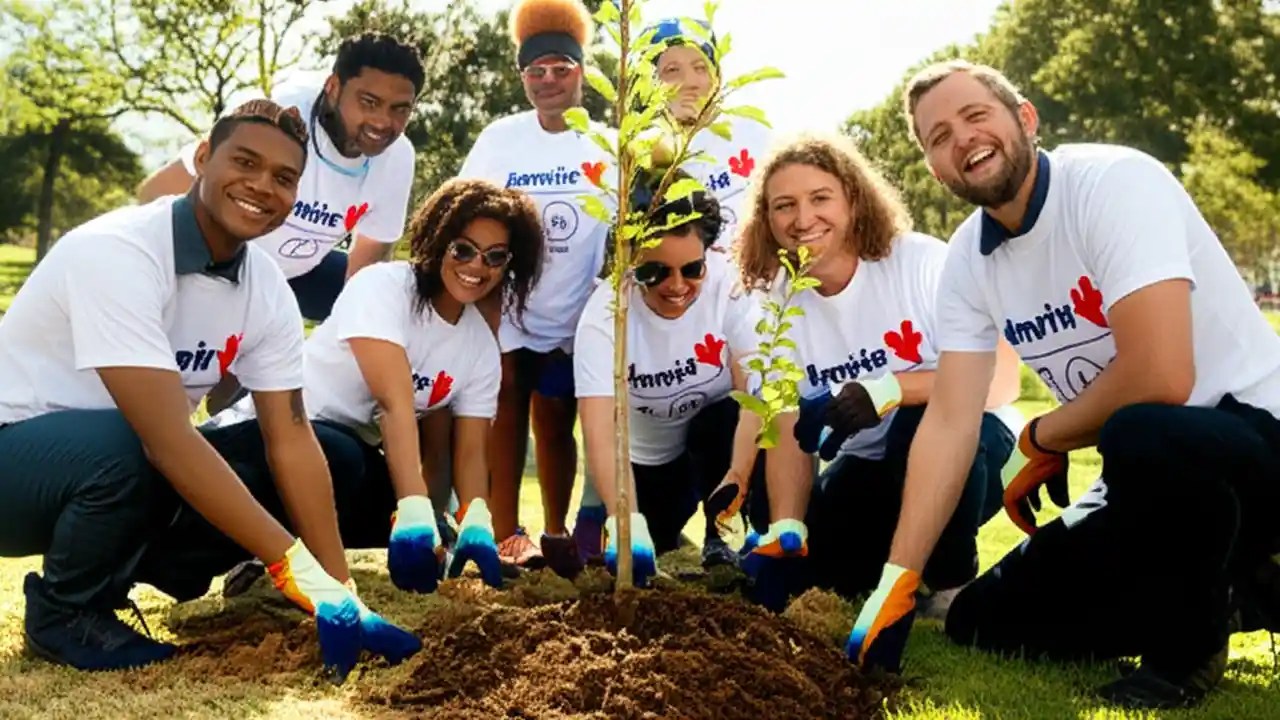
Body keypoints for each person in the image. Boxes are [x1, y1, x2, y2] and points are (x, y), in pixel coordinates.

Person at [846, 59, 1280, 710]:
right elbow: (950, 421)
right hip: (1145, 486)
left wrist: (1042, 436)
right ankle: (1241, 592)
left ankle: (1185, 653)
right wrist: (898, 579)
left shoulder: (1114, 182)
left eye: (975, 116)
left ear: (1026, 119)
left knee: (1142, 429)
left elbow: (1161, 375)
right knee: (980, 623)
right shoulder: (967, 260)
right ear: (935, 169)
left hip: (1253, 440)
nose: (961, 139)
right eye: (938, 137)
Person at [0, 100, 419, 679]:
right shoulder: (119, 250)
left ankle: (136, 567)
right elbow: (167, 441)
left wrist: (339, 587)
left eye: (283, 177)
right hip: (16, 463)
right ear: (201, 158)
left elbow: (292, 438)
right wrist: (292, 567)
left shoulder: (265, 286)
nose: (261, 186)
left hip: (123, 470)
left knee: (335, 451)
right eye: (244, 162)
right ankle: (66, 611)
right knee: (138, 441)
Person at [731, 132, 1022, 613]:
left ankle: (951, 582)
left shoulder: (921, 263)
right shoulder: (772, 306)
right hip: (871, 465)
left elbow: (1001, 381)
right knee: (823, 574)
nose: (803, 219)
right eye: (784, 205)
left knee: (919, 421)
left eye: (820, 198)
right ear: (767, 220)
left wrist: (889, 389)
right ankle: (885, 562)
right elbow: (786, 429)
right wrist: (788, 527)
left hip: (978, 448)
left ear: (854, 201)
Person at [209, 178, 545, 593]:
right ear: (439, 241)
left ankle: (299, 552)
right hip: (272, 432)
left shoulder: (478, 345)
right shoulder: (384, 287)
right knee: (342, 457)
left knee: (398, 502)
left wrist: (475, 519)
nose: (477, 266)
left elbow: (472, 450)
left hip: (348, 456)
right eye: (463, 249)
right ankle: (261, 557)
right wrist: (412, 510)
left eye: (495, 257)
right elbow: (393, 405)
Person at [569, 15, 775, 569]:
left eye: (699, 67)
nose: (687, 80)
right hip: (648, 380)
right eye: (669, 70)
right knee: (625, 541)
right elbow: (596, 421)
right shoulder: (635, 147)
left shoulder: (752, 137)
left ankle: (736, 532)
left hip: (729, 305)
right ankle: (609, 516)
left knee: (743, 410)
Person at [453, 0, 613, 578]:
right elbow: (463, 209)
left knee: (556, 414)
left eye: (560, 69)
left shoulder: (607, 146)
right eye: (535, 71)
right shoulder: (500, 140)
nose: (547, 81)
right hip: (507, 304)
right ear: (521, 76)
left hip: (573, 309)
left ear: (581, 73)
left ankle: (554, 529)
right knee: (504, 404)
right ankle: (504, 535)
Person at [136, 32, 423, 325]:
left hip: (298, 271)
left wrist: (349, 334)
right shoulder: (277, 116)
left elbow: (366, 263)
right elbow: (155, 192)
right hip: (223, 262)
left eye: (399, 110)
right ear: (333, 87)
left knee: (393, 303)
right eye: (369, 102)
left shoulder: (398, 157)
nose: (382, 122)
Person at [573, 171, 764, 585]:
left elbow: (754, 392)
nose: (676, 286)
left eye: (692, 269)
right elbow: (600, 432)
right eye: (654, 272)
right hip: (649, 463)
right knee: (652, 540)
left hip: (717, 445)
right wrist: (625, 520)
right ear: (629, 260)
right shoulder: (605, 315)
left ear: (709, 254)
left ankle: (724, 540)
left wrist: (738, 477)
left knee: (726, 416)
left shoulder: (730, 287)